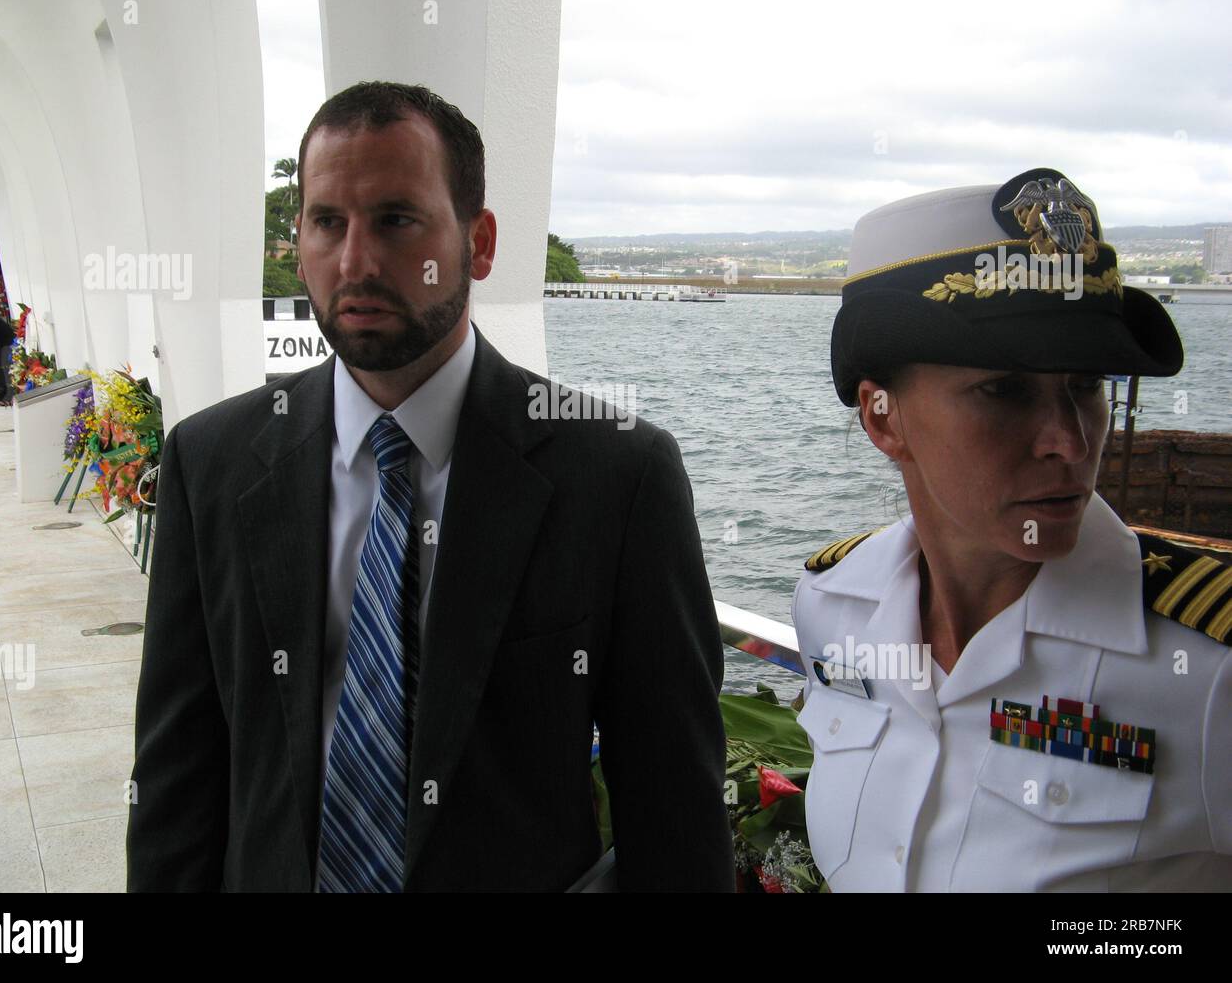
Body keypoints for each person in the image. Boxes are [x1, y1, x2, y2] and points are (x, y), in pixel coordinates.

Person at [126, 81, 734, 892]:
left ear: (478, 244)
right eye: (327, 223)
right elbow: (176, 778)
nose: (356, 262)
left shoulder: (616, 476)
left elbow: (674, 811)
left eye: (395, 220)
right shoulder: (212, 463)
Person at [791, 167, 1232, 892]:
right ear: (883, 417)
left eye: (1085, 386)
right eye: (1005, 390)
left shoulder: (1206, 669)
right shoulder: (830, 605)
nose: (1069, 439)